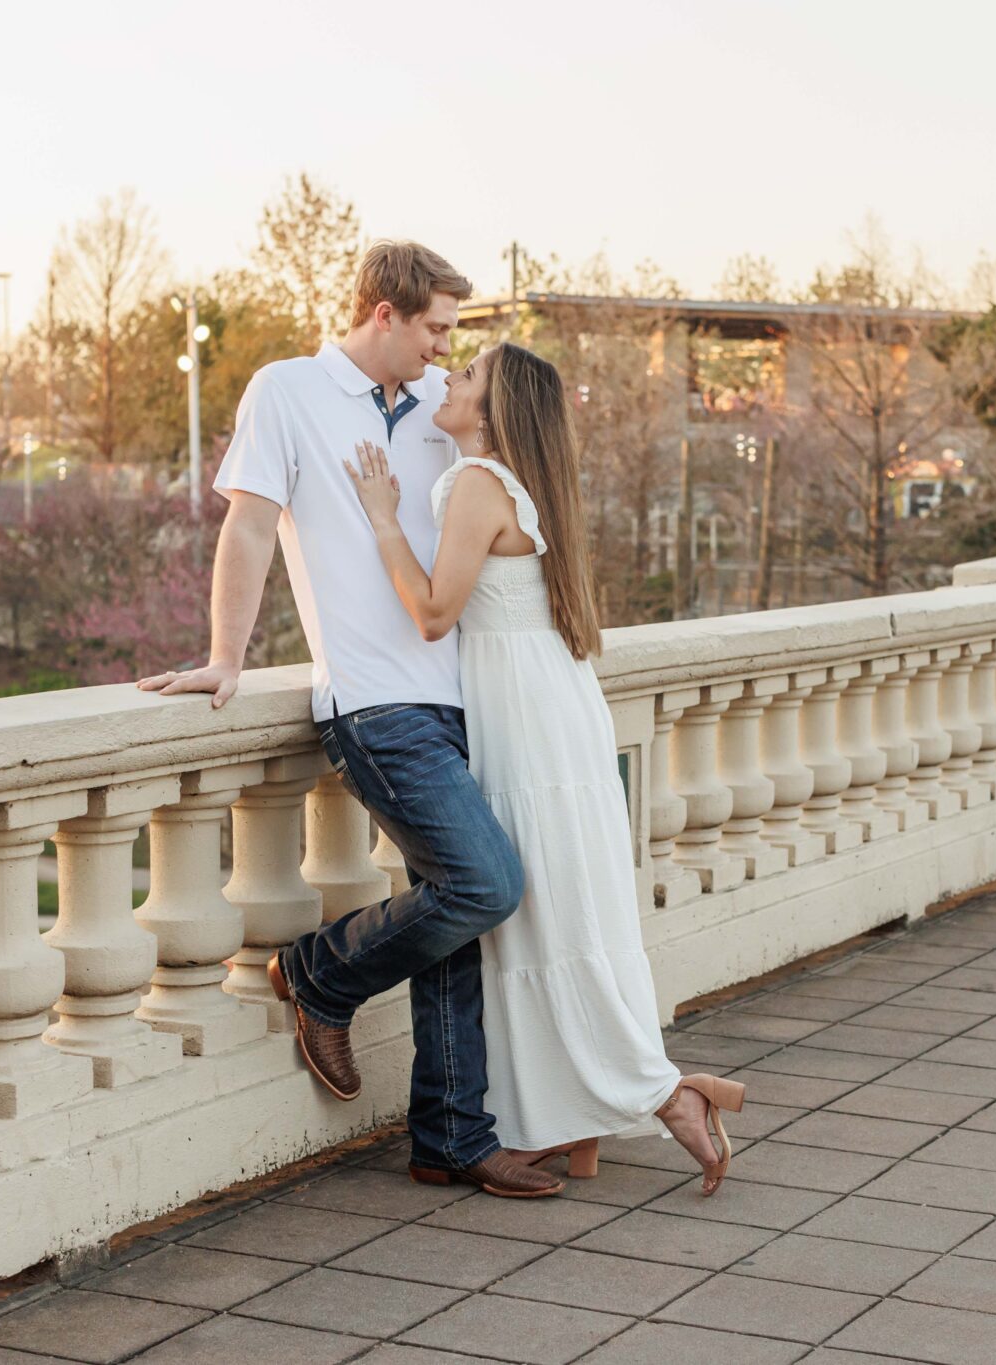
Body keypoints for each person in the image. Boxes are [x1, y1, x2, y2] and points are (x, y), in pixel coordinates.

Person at [138, 242, 562, 1199]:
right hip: (374, 702)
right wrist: (227, 656)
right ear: (384, 313)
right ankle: (321, 973)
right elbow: (250, 525)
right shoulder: (287, 390)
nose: (447, 349)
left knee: (455, 914)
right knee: (486, 883)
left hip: (469, 697)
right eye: (436, 328)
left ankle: (451, 1137)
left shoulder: (445, 410)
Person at [339, 342, 743, 1196]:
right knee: (562, 917)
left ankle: (666, 1093)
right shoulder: (522, 483)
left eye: (468, 375)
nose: (450, 377)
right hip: (554, 705)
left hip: (521, 717)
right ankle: (590, 1110)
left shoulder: (476, 482)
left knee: (536, 924)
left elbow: (434, 614)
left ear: (493, 414)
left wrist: (381, 516)